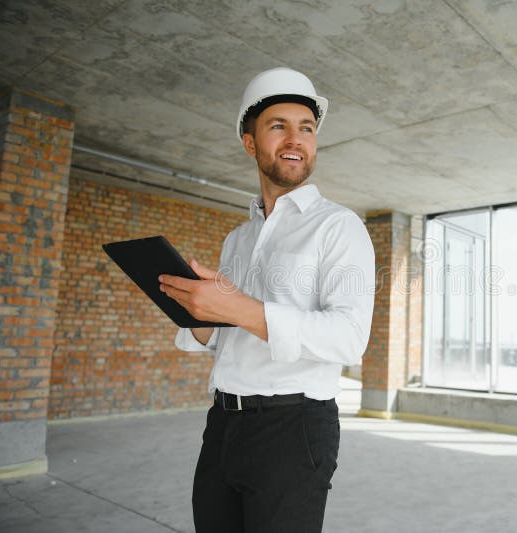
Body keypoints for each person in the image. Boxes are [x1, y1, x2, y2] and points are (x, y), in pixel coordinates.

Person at [158, 67, 375, 533]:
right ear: (250, 142)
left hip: (293, 430)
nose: (295, 139)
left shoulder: (339, 227)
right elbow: (229, 339)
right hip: (223, 425)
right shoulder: (239, 238)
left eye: (307, 128)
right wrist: (197, 310)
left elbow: (349, 339)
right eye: (278, 126)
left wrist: (237, 307)